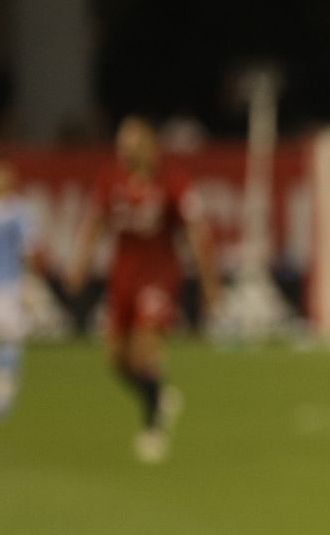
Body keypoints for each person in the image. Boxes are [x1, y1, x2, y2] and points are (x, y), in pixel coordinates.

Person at [65, 117, 218, 463]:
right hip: (123, 277)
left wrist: (210, 283)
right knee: (116, 360)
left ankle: (153, 427)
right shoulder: (111, 179)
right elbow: (96, 224)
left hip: (159, 276)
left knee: (143, 349)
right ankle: (157, 393)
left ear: (148, 146)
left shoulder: (172, 181)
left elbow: (195, 232)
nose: (125, 152)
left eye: (131, 145)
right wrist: (80, 264)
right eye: (121, 145)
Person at [0, 160, 38, 420]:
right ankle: (1, 373)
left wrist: (28, 284)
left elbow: (27, 250)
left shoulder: (18, 212)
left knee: (7, 334)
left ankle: (4, 386)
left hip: (8, 283)